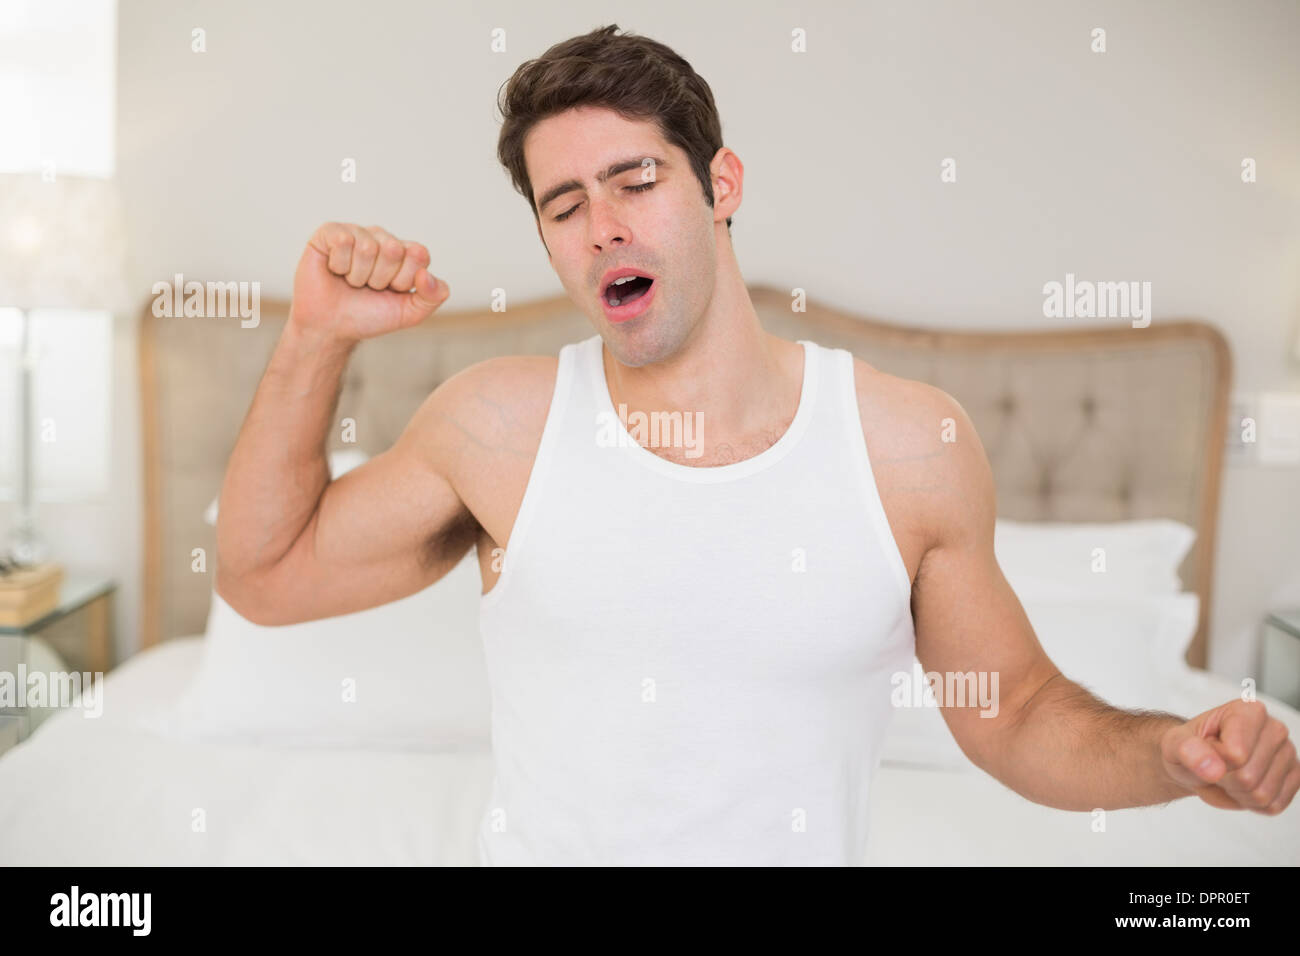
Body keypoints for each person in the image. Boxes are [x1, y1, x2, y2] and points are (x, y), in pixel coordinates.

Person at [214, 24, 1298, 865]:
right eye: (564, 205)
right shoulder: (496, 425)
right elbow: (265, 574)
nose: (604, 227)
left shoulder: (904, 443)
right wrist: (315, 338)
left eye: (636, 181)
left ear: (719, 186)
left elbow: (1012, 710)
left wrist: (1168, 751)